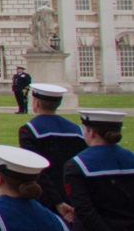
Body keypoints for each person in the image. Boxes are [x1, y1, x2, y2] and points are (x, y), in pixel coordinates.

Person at [17, 83, 87, 220]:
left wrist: (57, 201)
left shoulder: (29, 130)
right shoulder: (77, 130)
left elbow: (38, 170)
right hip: (74, 192)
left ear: (36, 103)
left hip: (45, 197)